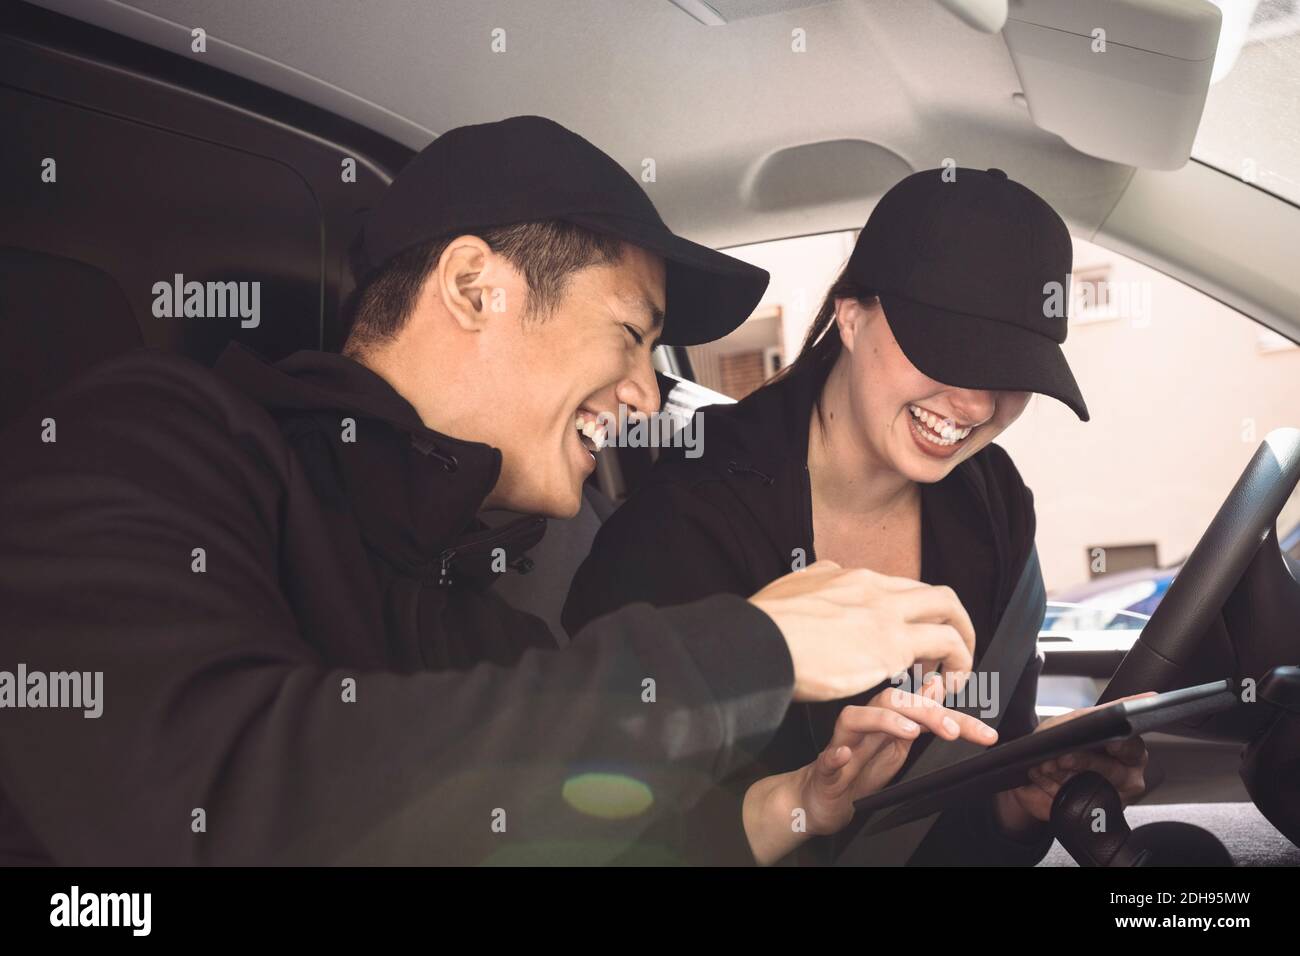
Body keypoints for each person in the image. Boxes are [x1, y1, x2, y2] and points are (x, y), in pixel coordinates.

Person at [0, 117, 983, 866]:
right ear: (475, 288)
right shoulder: (157, 439)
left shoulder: (474, 617)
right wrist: (752, 646)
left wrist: (798, 803)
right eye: (631, 333)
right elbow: (202, 797)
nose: (645, 393)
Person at [564, 167, 1149, 865]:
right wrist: (802, 801)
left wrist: (1018, 804)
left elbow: (966, 817)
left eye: (1012, 373)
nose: (975, 406)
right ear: (850, 314)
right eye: (950, 353)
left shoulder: (995, 504)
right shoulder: (682, 522)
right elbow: (597, 836)